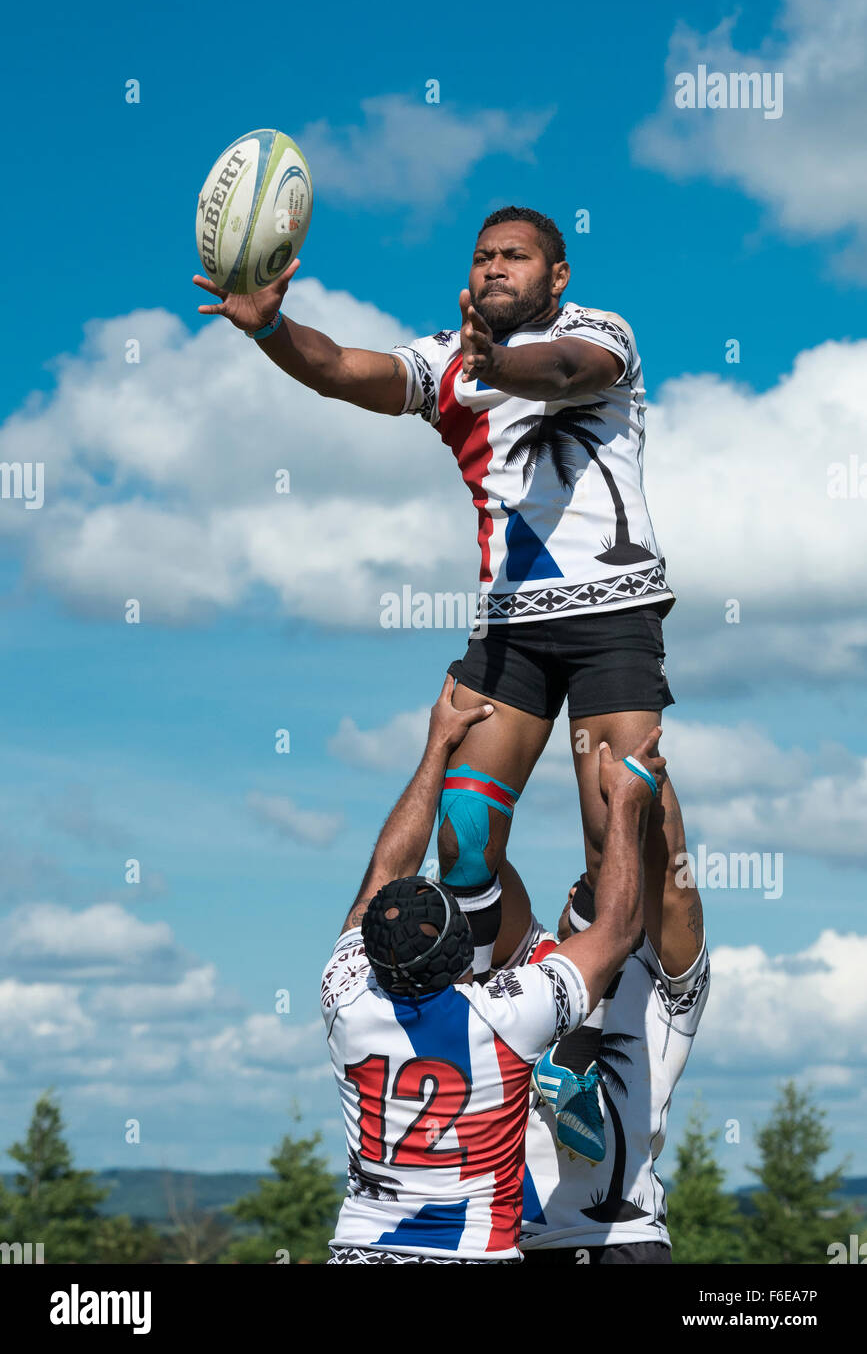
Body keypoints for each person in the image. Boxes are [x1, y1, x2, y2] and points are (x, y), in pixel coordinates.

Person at [194, 204, 687, 1148]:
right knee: (463, 841)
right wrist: (267, 328)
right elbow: (342, 372)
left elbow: (562, 373)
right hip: (507, 633)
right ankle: (514, 1004)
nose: (496, 266)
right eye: (482, 255)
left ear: (557, 275)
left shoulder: (598, 335)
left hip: (613, 622)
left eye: (516, 256)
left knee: (615, 834)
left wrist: (491, 364)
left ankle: (577, 1051)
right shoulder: (442, 361)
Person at [319, 677, 666, 1263]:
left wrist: (436, 751)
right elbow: (619, 932)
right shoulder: (504, 1016)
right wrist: (628, 808)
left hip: (362, 1248)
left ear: (375, 947)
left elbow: (379, 879)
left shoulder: (346, 998)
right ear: (462, 958)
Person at [515, 854, 709, 1264]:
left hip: (623, 1237)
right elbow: (480, 874)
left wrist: (642, 791)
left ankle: (570, 1066)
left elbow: (672, 876)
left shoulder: (664, 986)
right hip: (515, 1241)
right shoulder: (530, 963)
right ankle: (568, 1065)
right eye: (588, 891)